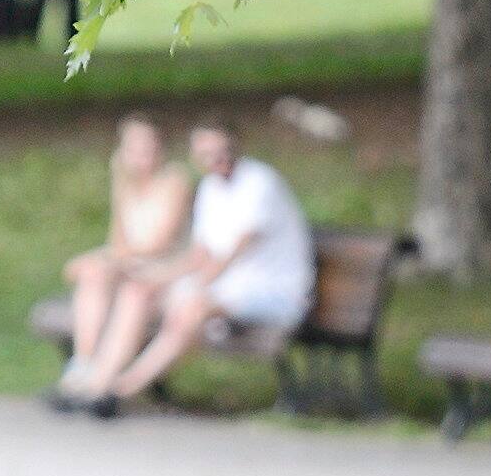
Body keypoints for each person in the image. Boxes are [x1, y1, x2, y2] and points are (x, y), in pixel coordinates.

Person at [76, 124, 315, 415]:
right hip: (225, 289)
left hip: (272, 292)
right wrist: (156, 279)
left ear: (236, 147)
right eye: (205, 153)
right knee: (138, 292)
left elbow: (231, 255)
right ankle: (96, 383)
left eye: (221, 151)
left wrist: (191, 288)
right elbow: (200, 255)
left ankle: (122, 389)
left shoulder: (259, 182)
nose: (215, 159)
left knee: (191, 308)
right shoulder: (210, 189)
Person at [50, 116, 195, 409]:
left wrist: (111, 258)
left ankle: (102, 383)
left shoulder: (175, 180)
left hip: (166, 270)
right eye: (134, 149)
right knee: (93, 273)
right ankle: (83, 365)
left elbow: (160, 243)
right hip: (132, 265)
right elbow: (119, 237)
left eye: (148, 149)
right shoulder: (122, 175)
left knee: (132, 291)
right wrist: (104, 259)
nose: (141, 157)